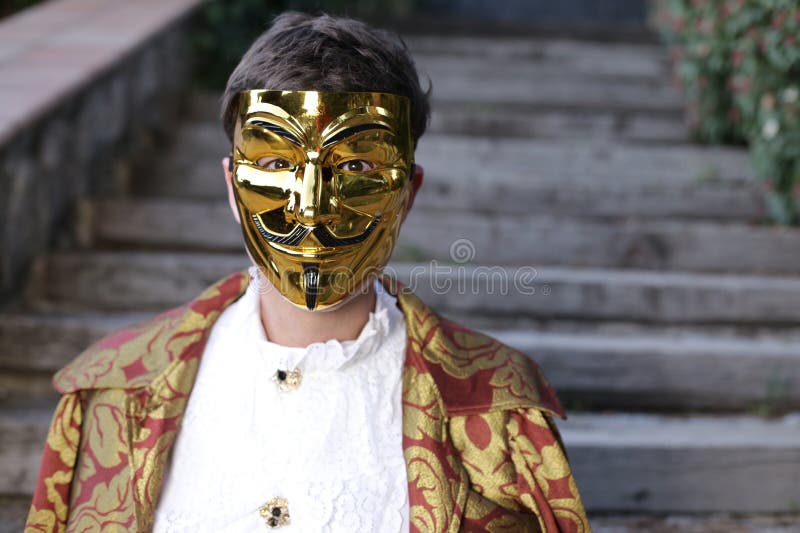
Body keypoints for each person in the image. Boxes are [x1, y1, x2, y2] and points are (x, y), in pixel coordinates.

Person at [25, 11, 590, 533]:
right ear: (231, 185)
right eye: (274, 164)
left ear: (408, 192)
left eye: (358, 166)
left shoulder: (502, 413)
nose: (313, 207)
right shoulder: (110, 394)